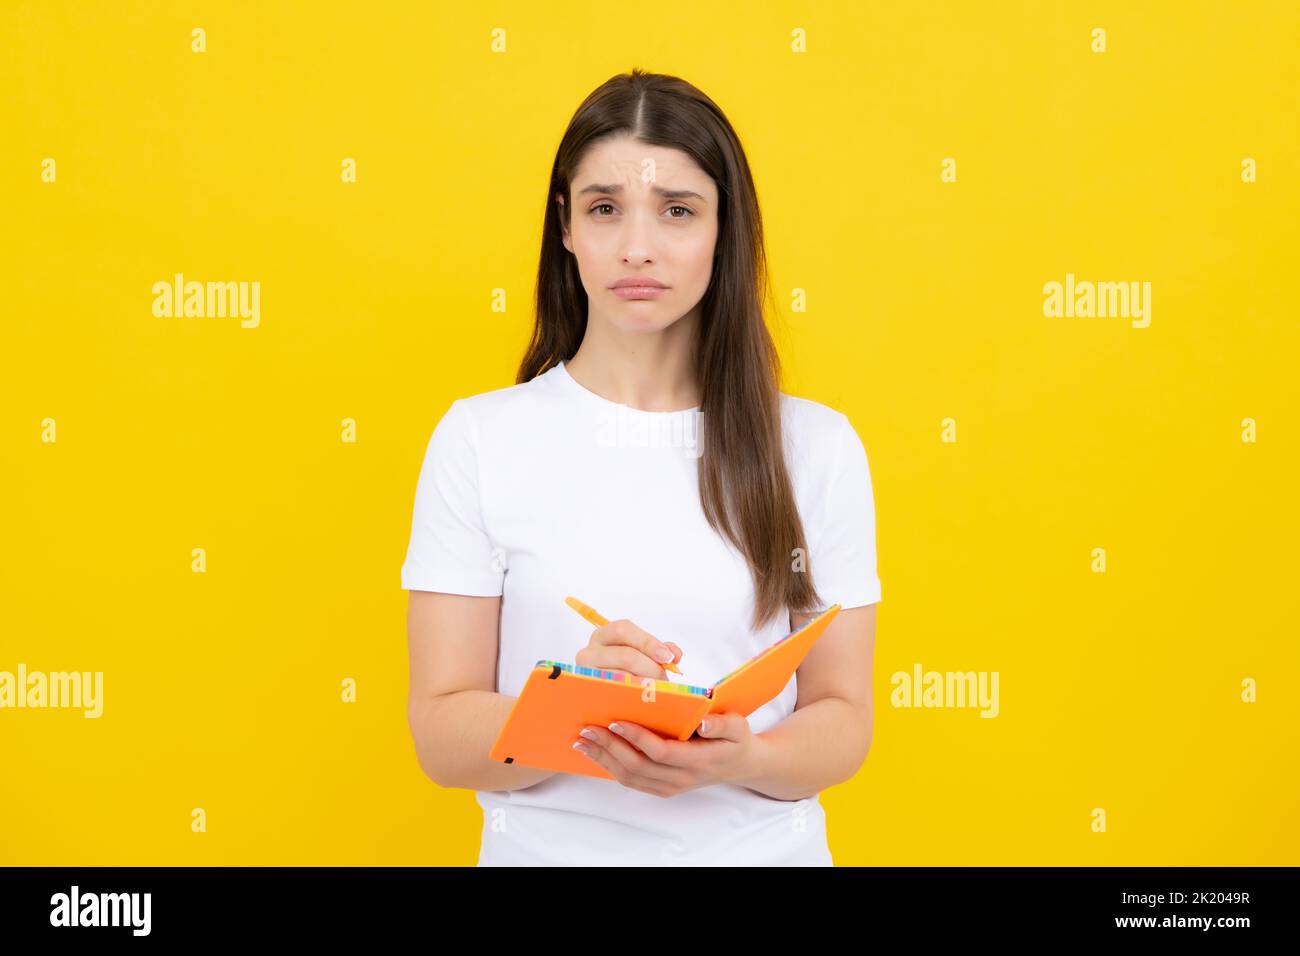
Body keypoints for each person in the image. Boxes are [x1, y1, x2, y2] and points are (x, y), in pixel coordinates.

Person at [402, 68, 881, 866]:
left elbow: (843, 717)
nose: (637, 247)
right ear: (565, 226)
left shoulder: (817, 448)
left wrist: (747, 757)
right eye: (603, 208)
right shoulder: (479, 439)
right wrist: (565, 707)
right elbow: (441, 735)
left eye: (678, 212)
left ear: (726, 228)